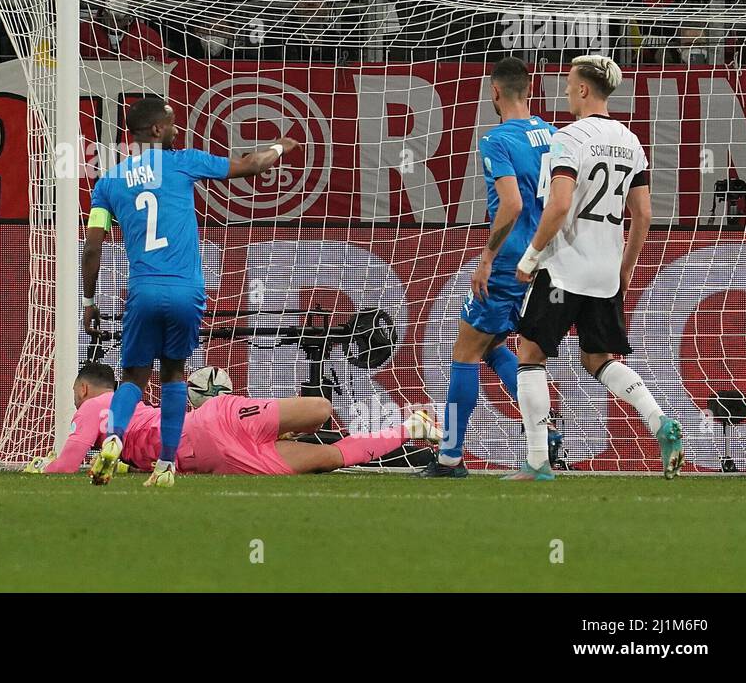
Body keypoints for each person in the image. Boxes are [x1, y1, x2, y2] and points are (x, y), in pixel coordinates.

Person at [80, 95, 299, 487]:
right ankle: (166, 467)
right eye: (173, 122)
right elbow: (250, 165)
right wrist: (283, 146)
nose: (178, 129)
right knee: (175, 373)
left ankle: (113, 438)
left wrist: (90, 300)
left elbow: (93, 246)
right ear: (156, 130)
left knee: (132, 377)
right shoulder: (184, 162)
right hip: (186, 291)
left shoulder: (109, 182)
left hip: (143, 291)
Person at [512, 55, 682, 480]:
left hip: (564, 269)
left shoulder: (568, 139)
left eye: (569, 85)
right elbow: (642, 215)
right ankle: (659, 421)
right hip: (605, 272)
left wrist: (530, 258)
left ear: (584, 90)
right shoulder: (631, 141)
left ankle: (536, 462)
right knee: (597, 359)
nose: (566, 91)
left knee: (530, 355)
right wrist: (625, 269)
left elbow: (560, 205)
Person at [420, 58, 558, 478]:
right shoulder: (552, 135)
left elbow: (512, 204)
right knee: (497, 346)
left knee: (465, 353)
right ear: (530, 89)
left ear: (494, 92)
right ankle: (545, 431)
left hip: (506, 263)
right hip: (542, 261)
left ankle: (450, 458)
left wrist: (485, 258)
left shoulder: (496, 139)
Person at [38, 362, 443, 476]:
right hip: (214, 428)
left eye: (75, 398)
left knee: (328, 450)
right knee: (324, 427)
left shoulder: (92, 408)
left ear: (84, 390)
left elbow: (71, 457)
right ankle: (410, 428)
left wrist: (43, 468)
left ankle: (409, 429)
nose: (76, 407)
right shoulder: (130, 403)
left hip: (206, 453)